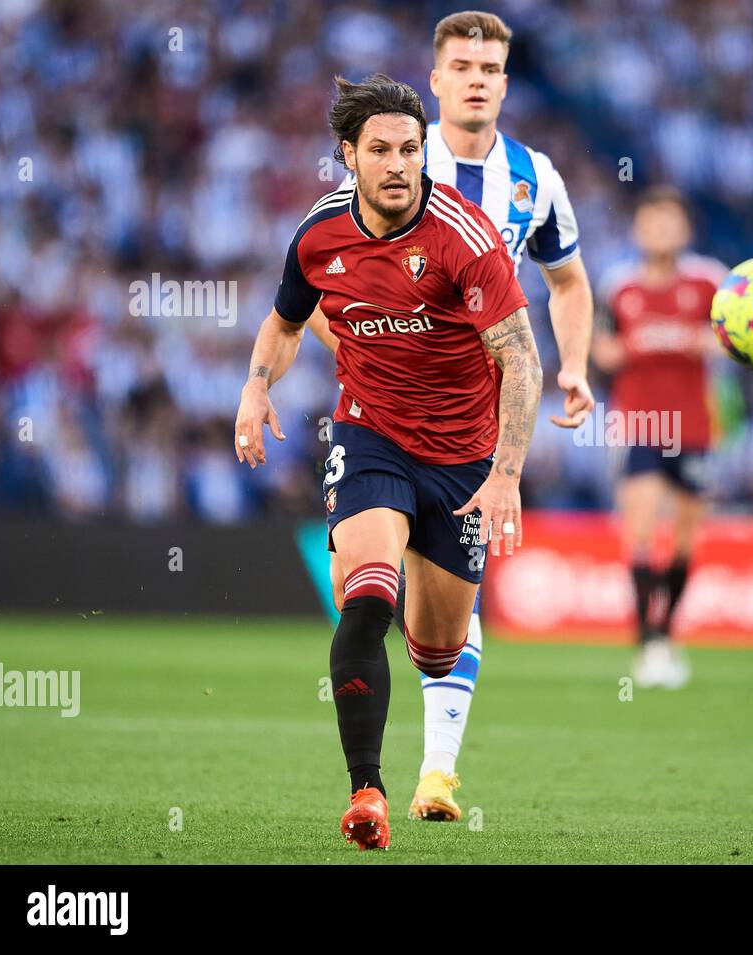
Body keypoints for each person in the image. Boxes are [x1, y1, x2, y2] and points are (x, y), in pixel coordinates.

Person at [234, 73, 542, 850]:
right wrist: (254, 389)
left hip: (463, 457)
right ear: (348, 156)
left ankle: (434, 645)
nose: (401, 163)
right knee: (366, 594)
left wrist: (505, 474)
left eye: (411, 147)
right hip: (369, 436)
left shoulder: (463, 237)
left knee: (437, 648)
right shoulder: (318, 235)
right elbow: (283, 323)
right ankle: (365, 790)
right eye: (382, 150)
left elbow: (522, 359)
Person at [304, 11, 594, 823]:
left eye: (491, 68)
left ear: (506, 82)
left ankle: (437, 769)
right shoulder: (392, 156)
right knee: (374, 590)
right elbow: (327, 275)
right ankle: (393, 776)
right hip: (388, 419)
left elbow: (567, 285)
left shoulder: (534, 177)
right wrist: (371, 353)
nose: (476, 78)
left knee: (445, 619)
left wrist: (572, 365)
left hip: (485, 415)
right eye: (461, 64)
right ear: (433, 82)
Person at [592, 187, 725, 689]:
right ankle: (648, 639)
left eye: (670, 222)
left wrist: (702, 342)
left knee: (686, 540)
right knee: (641, 530)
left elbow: (733, 340)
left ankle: (667, 632)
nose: (661, 231)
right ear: (638, 230)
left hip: (695, 428)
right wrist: (646, 343)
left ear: (685, 230)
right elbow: (602, 352)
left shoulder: (711, 280)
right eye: (652, 222)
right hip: (640, 425)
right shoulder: (619, 286)